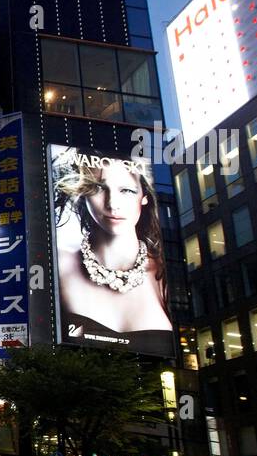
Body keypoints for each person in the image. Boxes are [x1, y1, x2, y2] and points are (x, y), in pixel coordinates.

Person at [52, 147, 173, 356]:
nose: (112, 204)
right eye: (99, 189)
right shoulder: (58, 266)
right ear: (84, 193)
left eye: (126, 190)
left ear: (144, 196)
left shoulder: (165, 275)